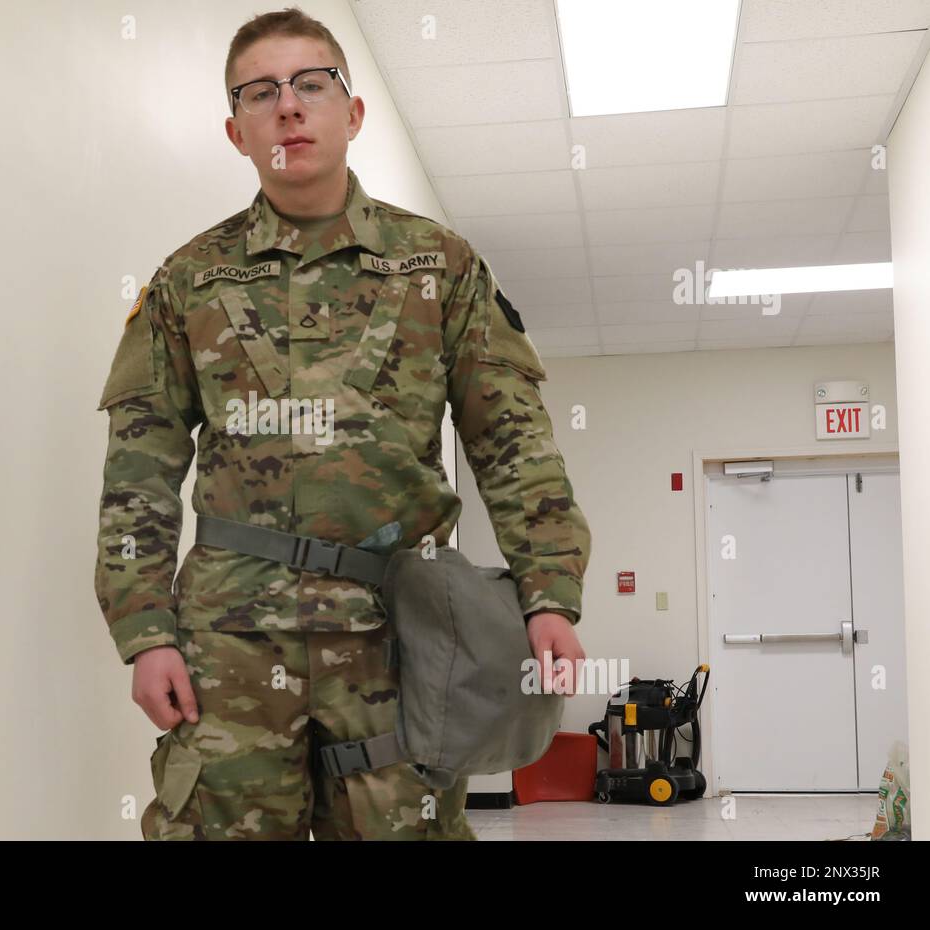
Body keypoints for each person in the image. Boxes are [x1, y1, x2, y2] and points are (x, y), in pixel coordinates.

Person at [94, 7, 591, 841]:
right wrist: (145, 632)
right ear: (236, 130)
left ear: (351, 113)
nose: (288, 107)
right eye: (260, 93)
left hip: (401, 629)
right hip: (232, 638)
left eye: (310, 85)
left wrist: (549, 595)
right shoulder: (187, 282)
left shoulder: (441, 266)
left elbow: (511, 444)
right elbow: (137, 473)